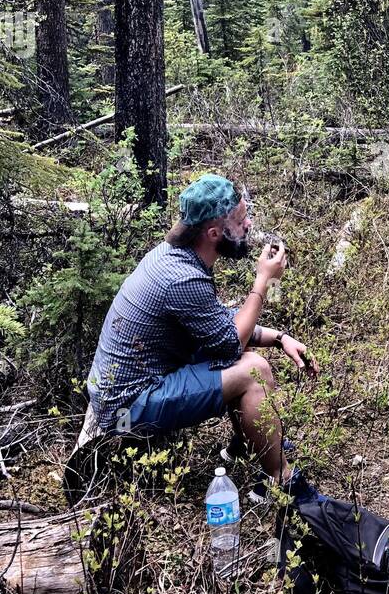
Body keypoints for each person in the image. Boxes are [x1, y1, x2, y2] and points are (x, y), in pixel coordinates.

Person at [81, 173, 318, 500]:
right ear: (213, 233)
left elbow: (219, 325)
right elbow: (230, 342)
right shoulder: (183, 278)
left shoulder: (173, 255)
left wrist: (280, 338)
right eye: (239, 220)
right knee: (254, 370)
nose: (248, 225)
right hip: (124, 408)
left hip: (125, 388)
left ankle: (248, 442)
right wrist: (262, 282)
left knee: (242, 359)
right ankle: (280, 481)